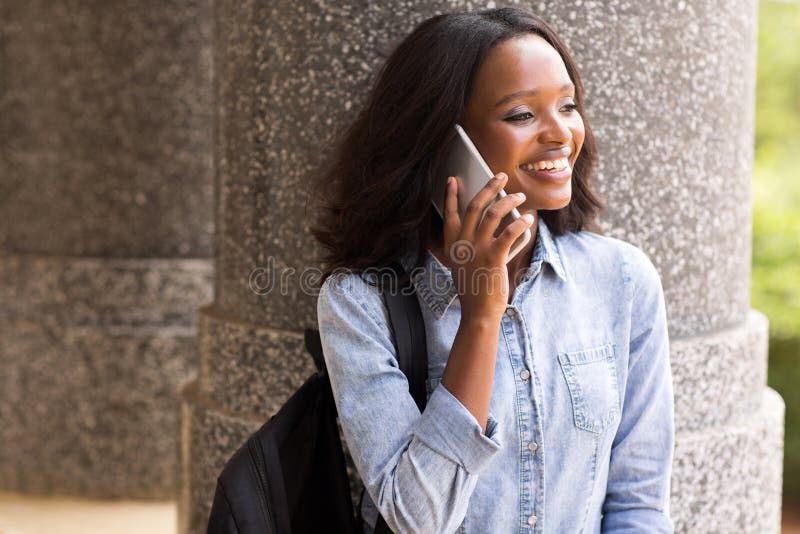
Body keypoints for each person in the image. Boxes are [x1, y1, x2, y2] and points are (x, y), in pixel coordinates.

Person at [309, 6, 674, 533]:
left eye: (568, 106)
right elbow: (418, 517)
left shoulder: (621, 280)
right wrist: (481, 314)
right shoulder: (358, 301)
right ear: (445, 144)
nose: (561, 134)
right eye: (521, 114)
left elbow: (638, 504)